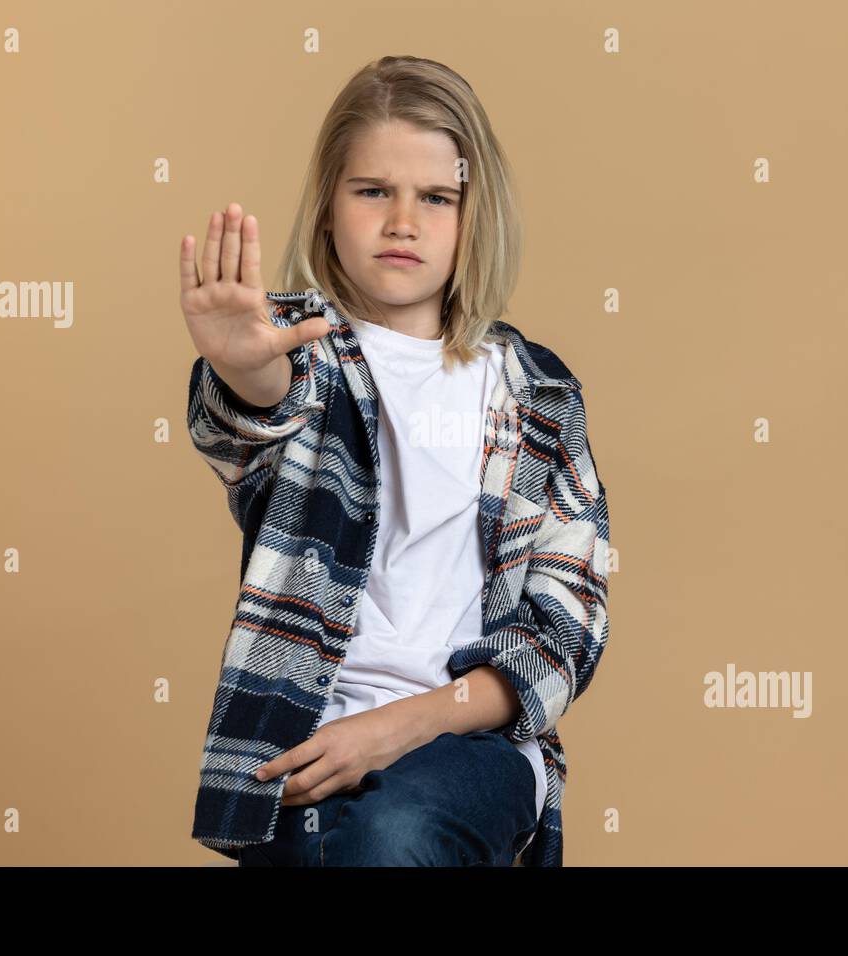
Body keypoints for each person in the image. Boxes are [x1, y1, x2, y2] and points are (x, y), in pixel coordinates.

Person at [178, 55, 611, 866]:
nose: (402, 221)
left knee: (391, 838)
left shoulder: (539, 397)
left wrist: (393, 729)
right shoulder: (305, 358)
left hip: (465, 744)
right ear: (329, 206)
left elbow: (565, 634)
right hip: (297, 741)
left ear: (473, 214)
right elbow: (245, 425)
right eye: (373, 191)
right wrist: (242, 369)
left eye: (436, 197)